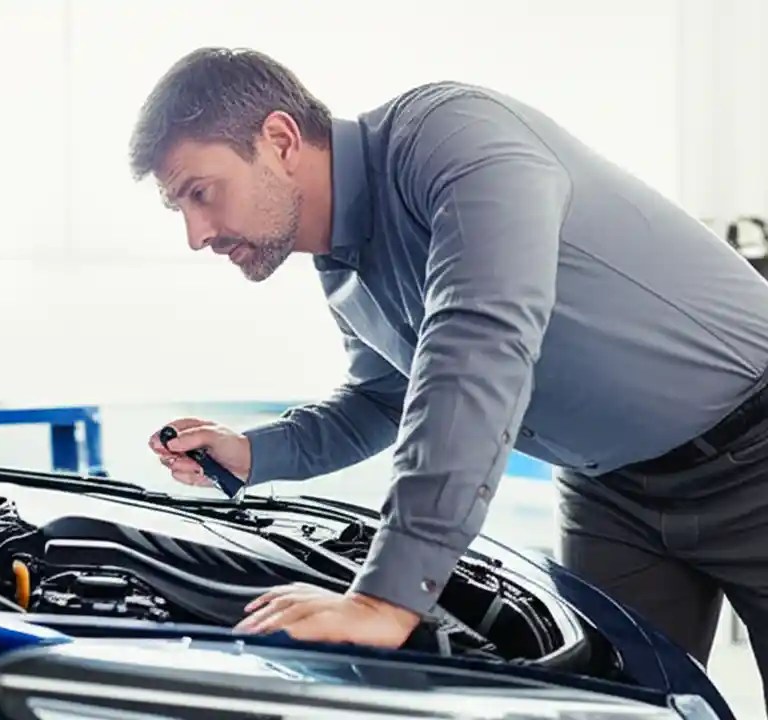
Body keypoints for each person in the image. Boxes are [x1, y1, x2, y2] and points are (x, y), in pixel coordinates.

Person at [131, 46, 768, 688]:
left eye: (201, 193)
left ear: (279, 139)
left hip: (755, 453)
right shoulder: (343, 270)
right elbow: (383, 400)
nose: (196, 233)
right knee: (608, 699)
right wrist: (249, 452)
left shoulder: (453, 138)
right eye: (179, 207)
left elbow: (477, 352)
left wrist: (386, 598)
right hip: (610, 495)